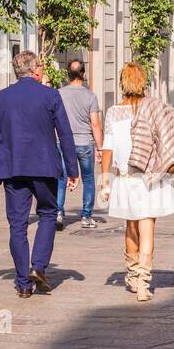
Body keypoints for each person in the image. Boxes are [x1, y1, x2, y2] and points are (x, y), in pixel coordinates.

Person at [97, 62, 174, 302]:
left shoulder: (113, 112)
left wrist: (105, 182)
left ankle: (133, 277)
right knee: (147, 228)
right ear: (143, 82)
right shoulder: (153, 107)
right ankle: (144, 283)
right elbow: (171, 134)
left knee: (130, 227)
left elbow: (107, 149)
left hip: (125, 178)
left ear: (122, 83)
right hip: (149, 176)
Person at [0, 50, 78, 298]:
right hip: (44, 166)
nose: (43, 69)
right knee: (48, 213)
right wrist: (72, 169)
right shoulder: (50, 95)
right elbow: (65, 133)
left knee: (17, 224)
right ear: (34, 70)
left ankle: (23, 283)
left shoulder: (1, 98)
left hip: (13, 168)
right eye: (41, 66)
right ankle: (39, 266)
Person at [56, 59, 104, 230]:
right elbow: (95, 124)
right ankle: (86, 216)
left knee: (61, 178)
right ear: (83, 74)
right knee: (88, 179)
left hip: (64, 143)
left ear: (68, 75)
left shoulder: (59, 94)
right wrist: (100, 147)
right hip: (85, 143)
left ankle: (58, 212)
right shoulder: (90, 96)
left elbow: (54, 120)